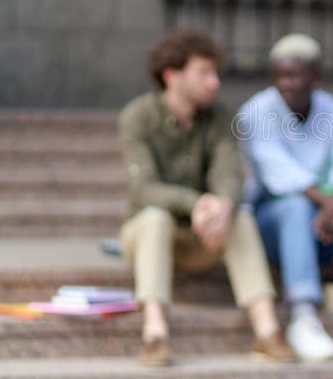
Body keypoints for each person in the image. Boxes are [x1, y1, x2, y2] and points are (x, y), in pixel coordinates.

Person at [118, 29, 295, 367]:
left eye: (214, 72)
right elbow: (143, 188)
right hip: (146, 234)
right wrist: (196, 203)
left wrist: (223, 205)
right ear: (172, 75)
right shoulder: (137, 117)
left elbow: (231, 174)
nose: (214, 82)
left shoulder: (219, 117)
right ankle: (155, 333)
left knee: (240, 215)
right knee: (156, 217)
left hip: (204, 235)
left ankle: (267, 330)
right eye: (204, 72)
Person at [235, 34, 333, 361]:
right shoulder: (255, 112)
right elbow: (278, 171)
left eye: (295, 75)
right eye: (280, 76)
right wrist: (332, 204)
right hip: (274, 223)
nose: (286, 84)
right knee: (295, 206)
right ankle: (303, 315)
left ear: (315, 76)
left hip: (326, 223)